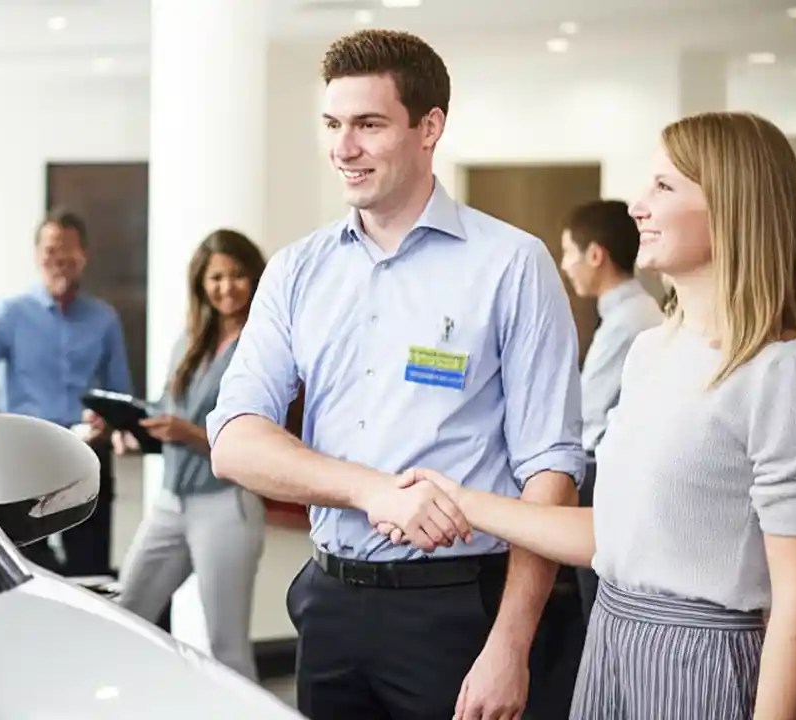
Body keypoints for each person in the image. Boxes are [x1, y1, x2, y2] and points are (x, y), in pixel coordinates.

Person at [206, 28, 585, 720]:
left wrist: (511, 645)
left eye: (369, 125)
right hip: (330, 604)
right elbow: (234, 441)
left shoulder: (512, 265)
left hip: (460, 611)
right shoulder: (297, 270)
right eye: (333, 125)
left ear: (429, 127)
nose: (343, 148)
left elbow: (550, 470)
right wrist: (373, 490)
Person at [408, 111, 796, 720]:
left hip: (698, 660)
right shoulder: (651, 351)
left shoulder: (781, 371)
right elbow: (613, 535)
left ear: (732, 205)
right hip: (609, 638)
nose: (636, 207)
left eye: (664, 186)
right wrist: (459, 500)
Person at [88, 229, 267, 681]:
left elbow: (261, 438)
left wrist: (189, 434)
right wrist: (125, 426)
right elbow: (164, 411)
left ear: (255, 277)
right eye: (216, 278)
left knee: (226, 646)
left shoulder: (263, 345)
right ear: (201, 284)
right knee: (126, 612)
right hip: (171, 504)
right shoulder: (189, 340)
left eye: (237, 275)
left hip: (226, 506)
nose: (227, 287)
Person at [0, 207, 132, 575]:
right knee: (26, 571)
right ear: (36, 256)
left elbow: (120, 395)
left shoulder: (104, 318)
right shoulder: (11, 314)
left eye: (69, 250)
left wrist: (110, 422)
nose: (60, 259)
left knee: (88, 573)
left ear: (84, 256)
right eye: (51, 250)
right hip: (21, 456)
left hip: (84, 452)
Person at [558, 200, 664, 617]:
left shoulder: (628, 320)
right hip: (611, 474)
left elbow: (583, 414)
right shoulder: (632, 312)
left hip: (603, 476)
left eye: (569, 252)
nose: (565, 265)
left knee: (595, 606)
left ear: (595, 255)